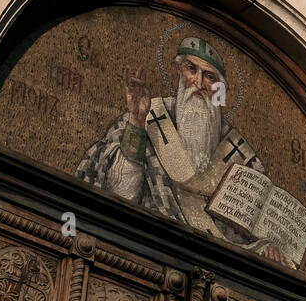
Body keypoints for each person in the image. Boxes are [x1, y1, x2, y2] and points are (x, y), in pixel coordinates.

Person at [75, 36, 286, 263]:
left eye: (209, 76)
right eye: (191, 69)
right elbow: (119, 196)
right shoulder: (148, 116)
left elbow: (253, 229)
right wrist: (136, 123)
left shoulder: (238, 151)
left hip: (216, 266)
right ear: (179, 71)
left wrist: (267, 246)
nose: (198, 81)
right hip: (151, 252)